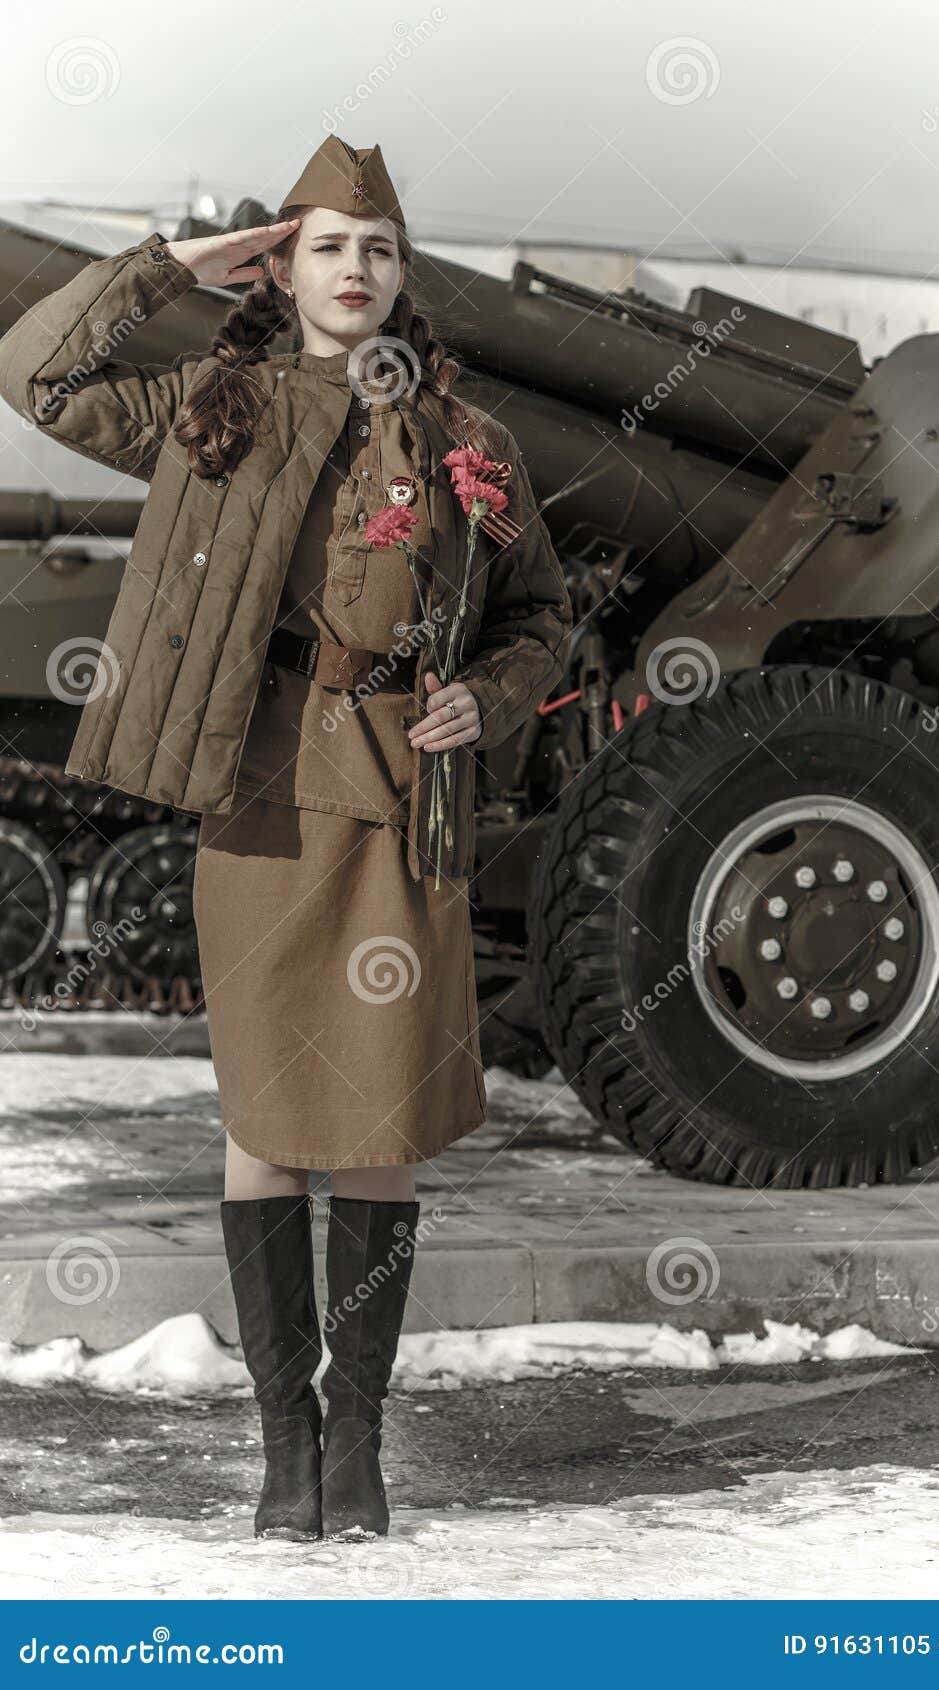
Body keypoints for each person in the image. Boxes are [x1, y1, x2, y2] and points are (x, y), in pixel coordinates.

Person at [0, 138, 573, 1543]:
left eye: (377, 248)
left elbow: (542, 619)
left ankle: (360, 1438)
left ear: (402, 272)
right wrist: (177, 265)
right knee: (264, 1126)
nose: (355, 270)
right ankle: (285, 1436)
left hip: (393, 798)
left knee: (375, 1131)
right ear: (287, 263)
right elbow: (35, 372)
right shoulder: (217, 400)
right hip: (254, 792)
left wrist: (481, 697)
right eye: (325, 245)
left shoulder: (467, 443)